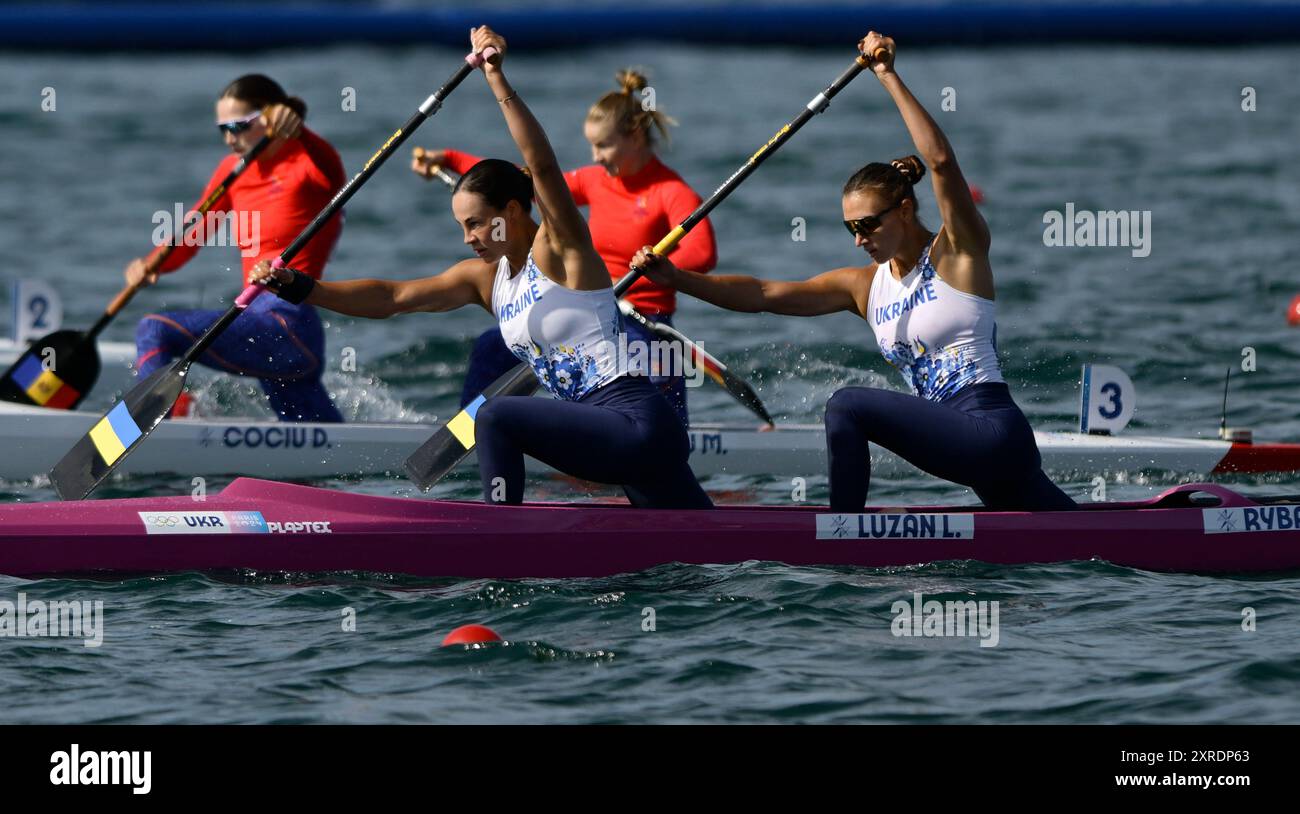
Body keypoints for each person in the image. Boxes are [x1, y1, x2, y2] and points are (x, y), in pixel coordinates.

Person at [255, 26, 712, 509]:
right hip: (611, 440)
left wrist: (495, 76)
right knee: (705, 549)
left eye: (476, 224)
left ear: (512, 212)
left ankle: (498, 530)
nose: (468, 237)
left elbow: (542, 165)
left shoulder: (562, 249)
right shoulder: (484, 279)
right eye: (462, 226)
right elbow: (391, 298)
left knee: (494, 416)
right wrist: (302, 287)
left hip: (636, 423)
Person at [631, 31, 1076, 513]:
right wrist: (678, 280)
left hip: (991, 432)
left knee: (847, 405)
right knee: (1075, 538)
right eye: (850, 228)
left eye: (867, 224)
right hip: (958, 442)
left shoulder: (958, 253)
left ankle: (842, 534)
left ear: (905, 210)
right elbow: (763, 293)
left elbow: (942, 163)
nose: (859, 238)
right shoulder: (864, 286)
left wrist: (886, 73)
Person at [411, 69, 717, 425]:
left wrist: (650, 267)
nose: (596, 156)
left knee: (650, 382)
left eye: (603, 146)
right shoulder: (595, 181)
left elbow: (702, 253)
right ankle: (470, 432)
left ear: (635, 137)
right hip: (591, 309)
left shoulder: (670, 192)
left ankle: (664, 439)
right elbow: (524, 178)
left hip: (643, 320)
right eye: (591, 146)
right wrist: (448, 158)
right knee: (490, 347)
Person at [124, 74, 345, 422]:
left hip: (287, 323)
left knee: (154, 329)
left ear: (270, 117)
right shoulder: (234, 170)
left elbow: (327, 161)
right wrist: (151, 264)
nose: (230, 138)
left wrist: (297, 124)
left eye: (239, 126)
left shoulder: (311, 165)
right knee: (325, 452)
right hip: (262, 326)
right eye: (222, 129)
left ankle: (152, 424)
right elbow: (194, 229)